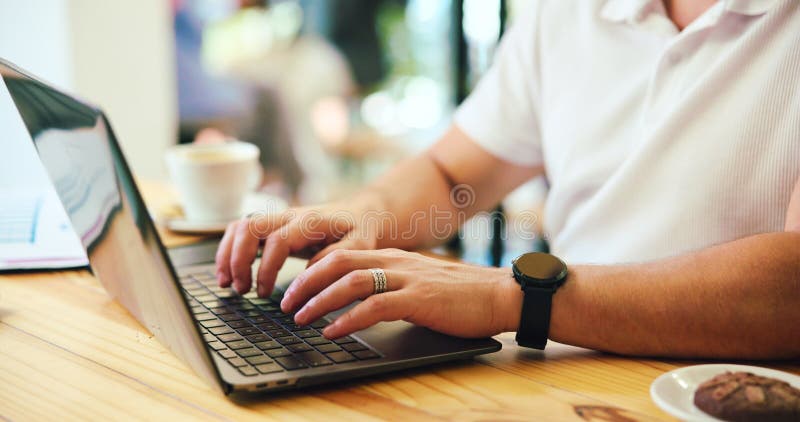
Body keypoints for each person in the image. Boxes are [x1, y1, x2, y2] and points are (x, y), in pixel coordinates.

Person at [215, 0, 800, 359]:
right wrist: (364, 214)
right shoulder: (566, 12)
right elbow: (452, 175)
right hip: (574, 375)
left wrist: (511, 298)